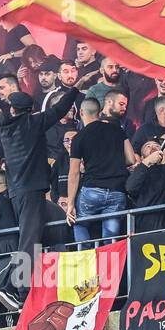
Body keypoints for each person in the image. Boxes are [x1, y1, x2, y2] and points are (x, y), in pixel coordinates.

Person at [0, 85, 78, 265]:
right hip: (32, 190)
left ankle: (25, 284)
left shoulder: (5, 129)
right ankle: (16, 288)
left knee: (39, 231)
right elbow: (60, 108)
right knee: (29, 241)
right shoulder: (34, 122)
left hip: (15, 192)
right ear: (30, 110)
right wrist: (75, 88)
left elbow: (1, 119)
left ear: (13, 109)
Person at [65, 97, 135, 244]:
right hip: (117, 191)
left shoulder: (79, 138)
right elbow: (131, 159)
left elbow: (74, 173)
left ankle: (85, 259)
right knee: (111, 239)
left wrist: (70, 204)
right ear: (99, 112)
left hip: (92, 191)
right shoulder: (116, 129)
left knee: (79, 224)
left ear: (81, 112)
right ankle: (109, 266)